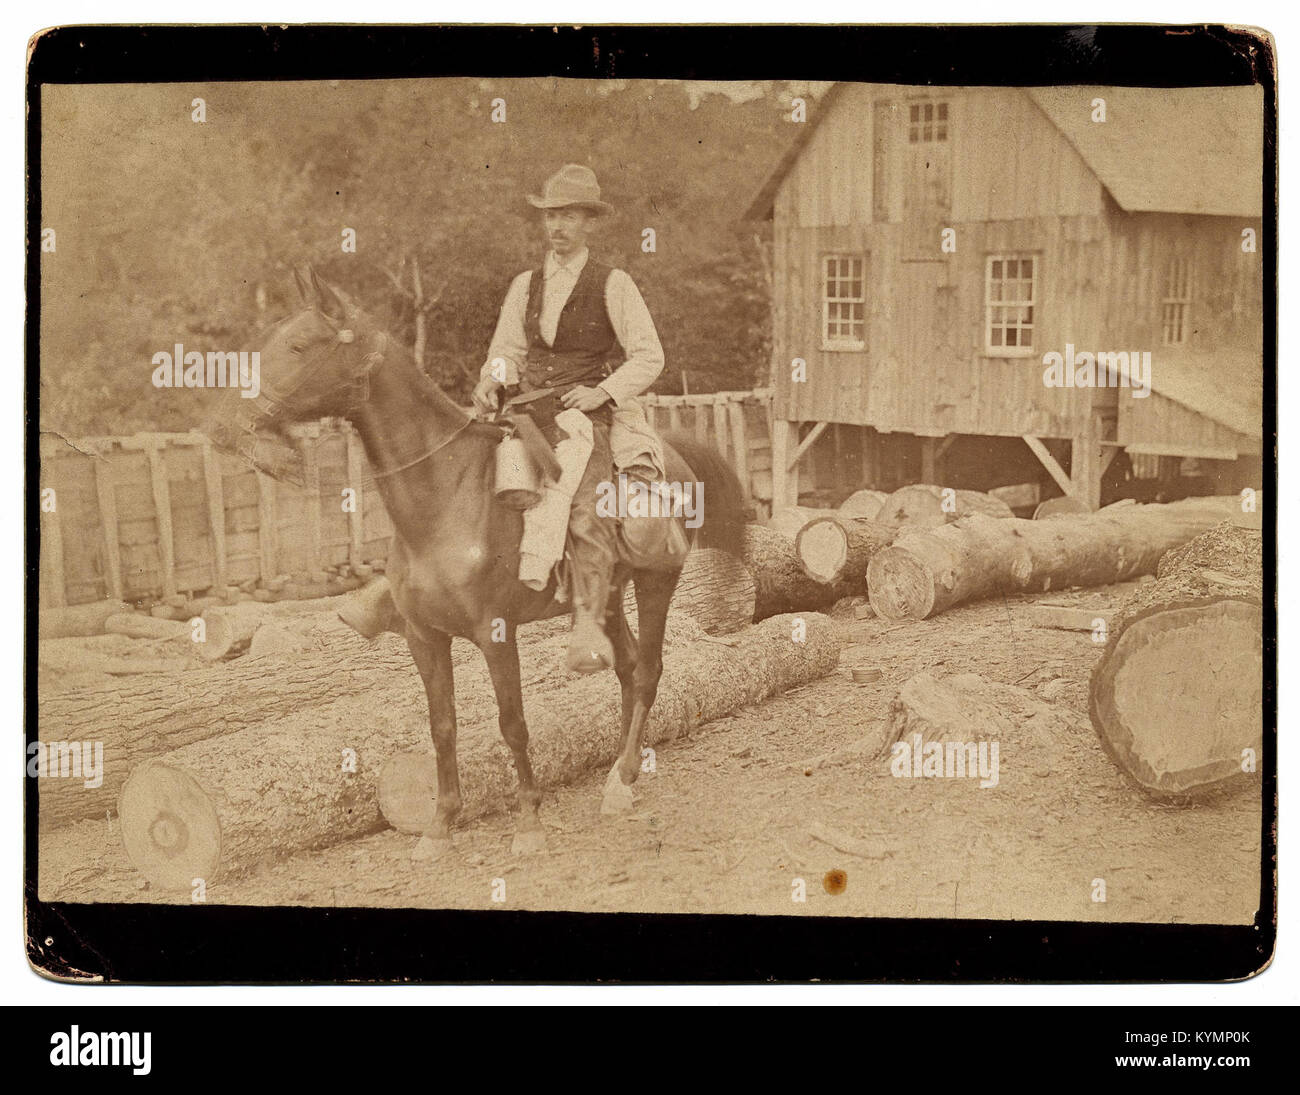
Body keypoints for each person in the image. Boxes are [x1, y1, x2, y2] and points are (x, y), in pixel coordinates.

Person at [473, 164, 665, 674]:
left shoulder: (613, 283)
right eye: (551, 216)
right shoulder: (526, 284)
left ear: (589, 224)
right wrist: (492, 378)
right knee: (464, 475)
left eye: (569, 216)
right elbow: (507, 351)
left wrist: (601, 391)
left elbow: (649, 356)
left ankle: (587, 622)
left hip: (584, 416)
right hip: (525, 411)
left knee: (587, 504)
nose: (557, 226)